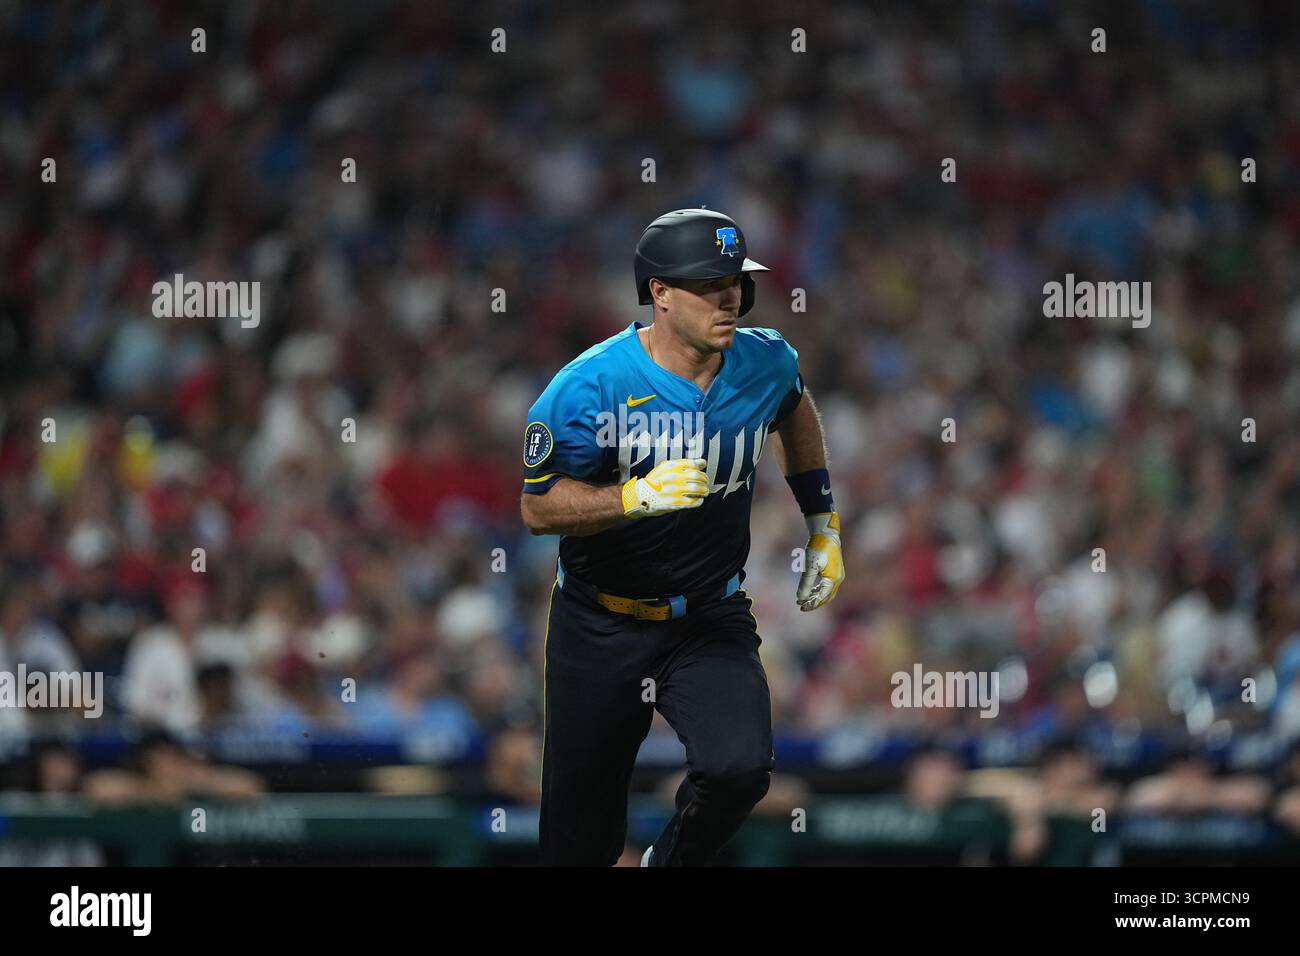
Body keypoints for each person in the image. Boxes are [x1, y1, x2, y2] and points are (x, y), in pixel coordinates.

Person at [520, 208, 845, 866]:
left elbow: (794, 409)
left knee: (739, 769)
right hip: (597, 620)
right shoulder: (588, 386)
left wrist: (823, 523)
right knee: (576, 840)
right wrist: (632, 497)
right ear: (659, 293)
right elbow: (538, 508)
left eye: (736, 282)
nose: (730, 298)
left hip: (707, 615)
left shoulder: (766, 361)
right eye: (709, 283)